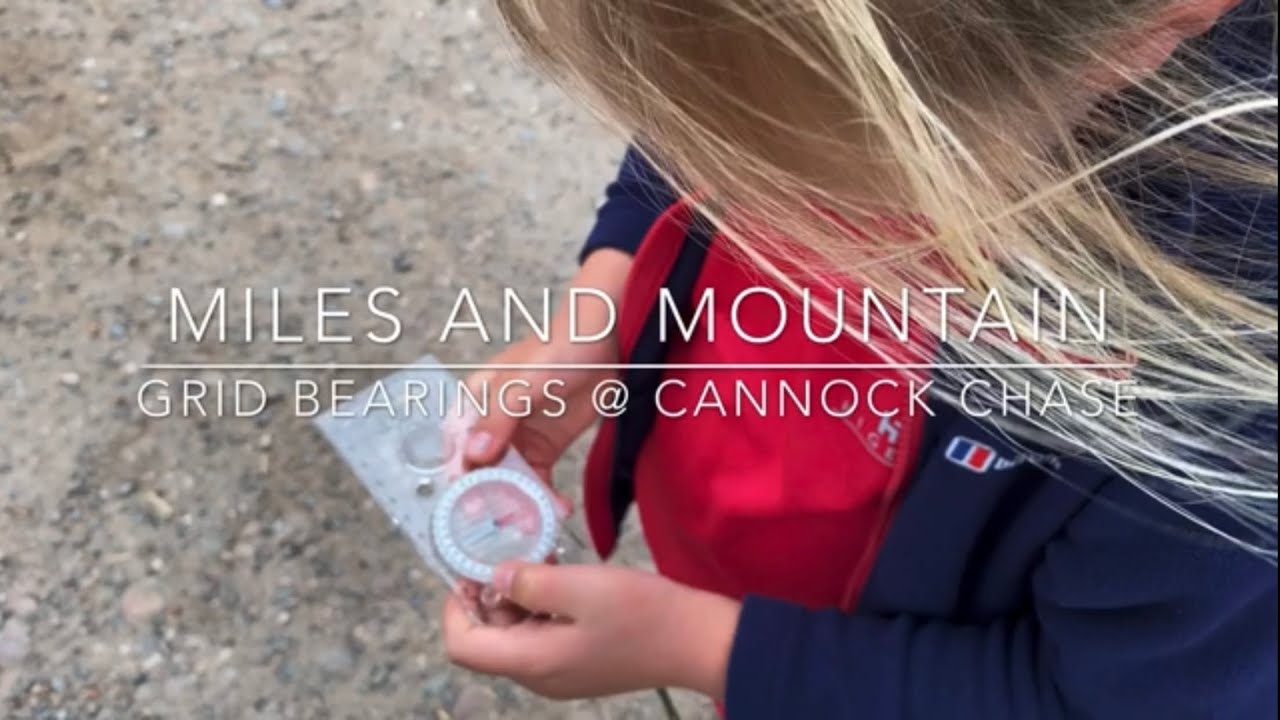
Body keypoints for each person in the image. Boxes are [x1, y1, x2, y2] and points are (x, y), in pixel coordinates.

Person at [442, 1, 1278, 718]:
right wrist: (609, 306)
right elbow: (708, 99)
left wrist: (712, 651)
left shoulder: (1229, 388)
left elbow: (1101, 700)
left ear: (1146, 39)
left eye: (815, 185)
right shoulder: (888, 71)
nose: (759, 200)